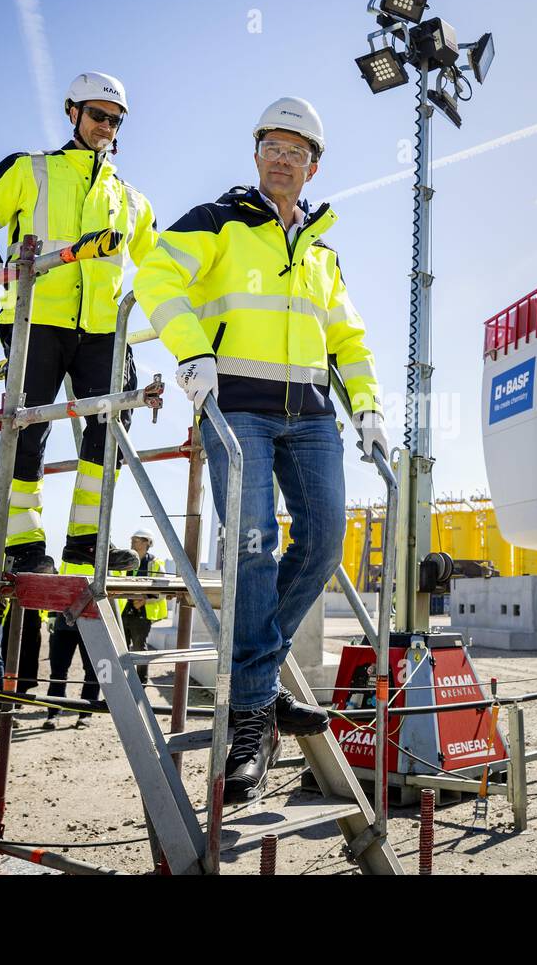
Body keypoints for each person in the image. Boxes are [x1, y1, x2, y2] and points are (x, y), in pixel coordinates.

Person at [133, 97, 388, 803]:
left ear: (314, 165)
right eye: (271, 146)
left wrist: (365, 409)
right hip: (237, 409)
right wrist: (193, 352)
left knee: (326, 543)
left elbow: (350, 342)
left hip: (310, 418)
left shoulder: (323, 253)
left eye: (296, 149)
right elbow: (155, 276)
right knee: (251, 545)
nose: (282, 158)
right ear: (256, 156)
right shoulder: (220, 221)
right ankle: (253, 717)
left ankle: (258, 679)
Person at [0, 71, 158, 576]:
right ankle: (22, 545)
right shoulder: (30, 168)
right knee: (28, 427)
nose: (106, 126)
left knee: (111, 424)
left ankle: (87, 540)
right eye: (98, 115)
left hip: (103, 327)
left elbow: (161, 265)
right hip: (35, 317)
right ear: (73, 114)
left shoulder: (131, 199)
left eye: (115, 120)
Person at [41, 560, 100, 730]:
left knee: (91, 671)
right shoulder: (68, 559)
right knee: (58, 671)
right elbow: (58, 588)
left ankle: (85, 715)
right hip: (64, 623)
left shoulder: (104, 558)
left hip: (91, 622)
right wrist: (52, 614)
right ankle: (53, 714)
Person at [117, 529, 167, 685]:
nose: (132, 542)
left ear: (147, 542)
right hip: (123, 612)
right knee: (120, 649)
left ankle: (140, 684)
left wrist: (145, 600)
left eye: (137, 539)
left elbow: (163, 590)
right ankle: (122, 684)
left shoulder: (155, 563)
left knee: (139, 649)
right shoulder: (125, 562)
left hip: (142, 614)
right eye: (132, 539)